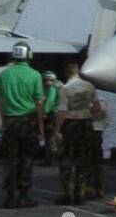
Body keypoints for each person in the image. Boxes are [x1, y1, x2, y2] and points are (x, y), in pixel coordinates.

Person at [0, 43, 45, 209]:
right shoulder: (35, 75)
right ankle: (23, 195)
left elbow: (2, 101)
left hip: (10, 121)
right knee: (27, 159)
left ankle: (10, 196)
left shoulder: (4, 75)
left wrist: (3, 122)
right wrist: (41, 126)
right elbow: (39, 102)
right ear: (29, 56)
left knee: (11, 160)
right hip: (28, 121)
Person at [53, 61, 97, 205]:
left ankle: (68, 194)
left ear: (66, 73)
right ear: (77, 71)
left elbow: (62, 110)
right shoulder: (89, 86)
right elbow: (98, 106)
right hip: (86, 123)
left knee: (67, 160)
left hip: (71, 124)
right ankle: (80, 193)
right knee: (83, 160)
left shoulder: (65, 89)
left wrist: (57, 130)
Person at [85, 94, 110, 199]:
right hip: (98, 132)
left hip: (89, 133)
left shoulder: (92, 103)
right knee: (97, 162)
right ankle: (98, 188)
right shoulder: (102, 101)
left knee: (88, 161)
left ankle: (90, 188)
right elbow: (106, 119)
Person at [42, 71, 60, 164]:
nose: (48, 82)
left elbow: (50, 101)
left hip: (53, 114)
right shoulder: (46, 88)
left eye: (51, 80)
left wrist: (43, 112)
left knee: (51, 136)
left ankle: (51, 158)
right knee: (50, 136)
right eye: (46, 80)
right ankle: (51, 157)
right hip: (53, 113)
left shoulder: (52, 88)